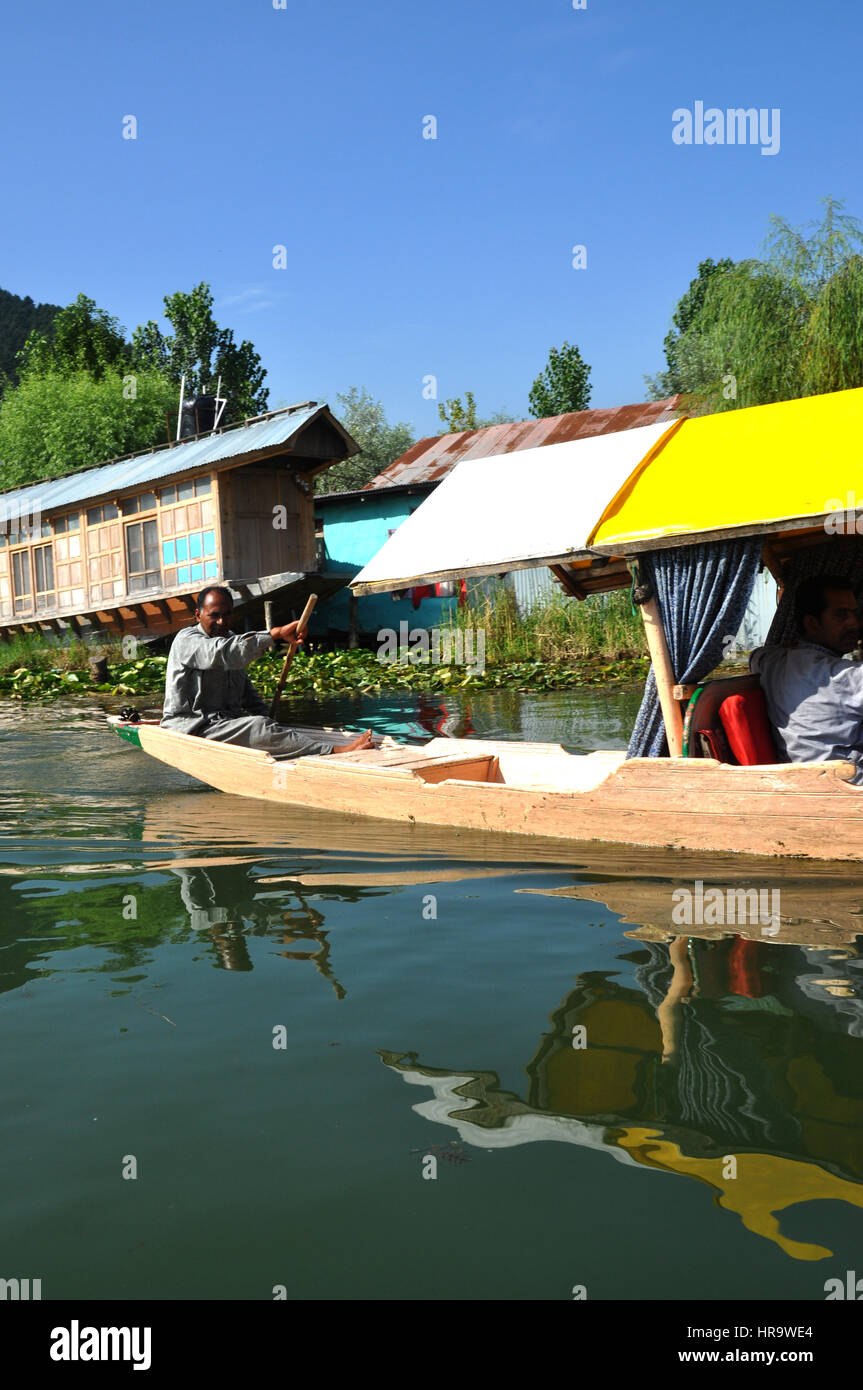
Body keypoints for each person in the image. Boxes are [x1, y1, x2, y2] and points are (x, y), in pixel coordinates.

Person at [161, 585, 374, 757]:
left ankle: (283, 741)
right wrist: (276, 634)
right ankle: (336, 750)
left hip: (223, 725)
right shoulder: (187, 640)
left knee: (264, 723)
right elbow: (223, 653)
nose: (221, 622)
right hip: (191, 726)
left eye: (226, 615)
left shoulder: (230, 637)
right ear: (198, 615)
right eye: (214, 615)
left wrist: (268, 719)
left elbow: (245, 691)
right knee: (258, 726)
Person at [749, 574, 863, 779]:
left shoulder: (772, 662)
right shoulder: (847, 677)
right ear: (812, 623)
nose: (854, 624)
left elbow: (756, 655)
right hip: (850, 790)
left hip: (802, 783)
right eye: (841, 615)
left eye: (854, 613)